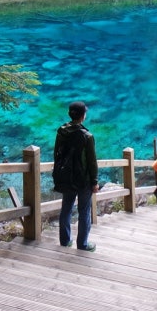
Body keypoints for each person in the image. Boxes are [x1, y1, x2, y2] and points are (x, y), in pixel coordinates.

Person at [53, 101, 99, 252]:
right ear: (83, 116)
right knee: (84, 210)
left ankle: (65, 241)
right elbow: (92, 161)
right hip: (83, 179)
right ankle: (83, 244)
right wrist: (94, 181)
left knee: (66, 207)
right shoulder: (87, 136)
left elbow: (57, 154)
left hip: (66, 175)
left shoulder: (61, 131)